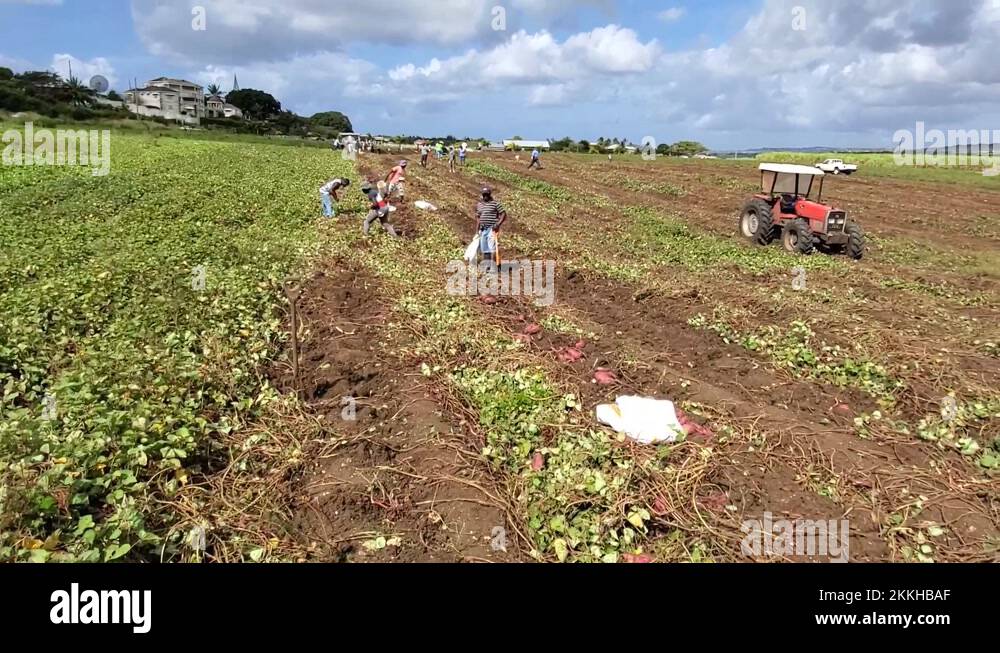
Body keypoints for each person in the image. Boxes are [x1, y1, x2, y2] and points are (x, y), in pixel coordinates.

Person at [475, 186, 508, 270]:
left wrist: (498, 224)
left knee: (492, 248)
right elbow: (478, 218)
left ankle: (496, 266)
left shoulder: (495, 204)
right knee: (485, 249)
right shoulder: (479, 205)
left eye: (487, 194)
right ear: (482, 195)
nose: (485, 196)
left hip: (492, 229)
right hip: (483, 229)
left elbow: (503, 214)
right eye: (484, 194)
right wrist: (477, 230)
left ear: (490, 194)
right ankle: (487, 266)